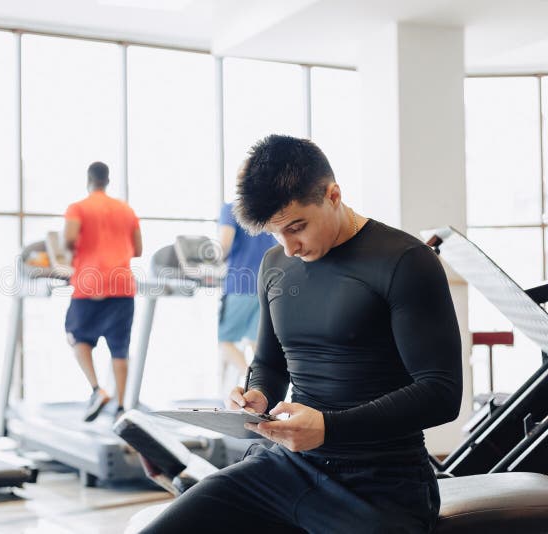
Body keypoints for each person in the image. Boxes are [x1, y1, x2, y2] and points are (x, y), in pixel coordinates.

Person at [140, 135, 462, 533]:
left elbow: (441, 393)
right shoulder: (274, 264)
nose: (289, 247)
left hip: (380, 484)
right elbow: (269, 363)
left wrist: (330, 428)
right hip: (284, 468)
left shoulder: (405, 261)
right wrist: (257, 394)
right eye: (276, 234)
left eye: (297, 227)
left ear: (333, 195)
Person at [64, 161, 142, 422]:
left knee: (76, 336)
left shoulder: (78, 208)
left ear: (89, 180)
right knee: (120, 348)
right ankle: (121, 407)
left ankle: (97, 389)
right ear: (107, 180)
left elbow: (69, 240)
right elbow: (138, 249)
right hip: (122, 285)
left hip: (89, 284)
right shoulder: (126, 210)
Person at [217, 195, 277, 390]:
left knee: (225, 341)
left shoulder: (232, 208)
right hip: (266, 283)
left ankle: (249, 381)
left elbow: (224, 245)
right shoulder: (268, 206)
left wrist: (210, 260)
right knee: (256, 341)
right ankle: (262, 387)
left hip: (239, 285)